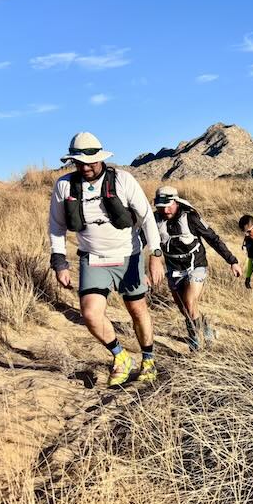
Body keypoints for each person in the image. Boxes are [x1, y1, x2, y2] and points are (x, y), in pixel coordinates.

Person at [49, 132, 164, 386]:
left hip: (128, 255)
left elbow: (146, 218)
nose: (86, 167)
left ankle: (148, 359)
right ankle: (120, 357)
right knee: (90, 314)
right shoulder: (64, 186)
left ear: (100, 158)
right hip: (93, 258)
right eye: (80, 163)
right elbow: (57, 227)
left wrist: (155, 255)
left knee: (137, 310)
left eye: (91, 162)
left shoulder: (123, 180)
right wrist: (59, 262)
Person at [155, 187, 243, 350]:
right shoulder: (155, 220)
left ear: (176, 201)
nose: (165, 210)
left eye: (168, 205)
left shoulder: (191, 218)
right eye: (161, 206)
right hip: (173, 268)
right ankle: (206, 327)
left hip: (195, 266)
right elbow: (140, 240)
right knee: (184, 308)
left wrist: (232, 261)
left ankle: (195, 340)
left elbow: (213, 239)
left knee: (189, 303)